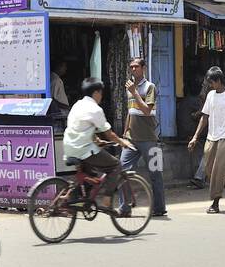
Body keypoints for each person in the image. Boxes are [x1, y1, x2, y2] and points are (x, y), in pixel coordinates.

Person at [64, 77, 132, 209]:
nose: (101, 96)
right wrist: (122, 142)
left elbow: (81, 127)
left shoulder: (77, 105)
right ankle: (107, 199)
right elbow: (109, 133)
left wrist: (97, 140)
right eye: (101, 93)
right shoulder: (95, 109)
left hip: (69, 147)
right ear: (96, 93)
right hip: (83, 149)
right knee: (116, 165)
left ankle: (78, 199)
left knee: (90, 176)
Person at [188, 67, 225, 213]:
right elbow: (204, 117)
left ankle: (215, 202)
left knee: (218, 170)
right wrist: (195, 137)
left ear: (218, 81)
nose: (210, 85)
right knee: (208, 169)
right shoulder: (211, 95)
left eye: (211, 82)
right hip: (211, 136)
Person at [119, 58, 166, 217]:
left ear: (143, 68)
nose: (133, 70)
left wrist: (134, 92)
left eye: (136, 67)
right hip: (131, 139)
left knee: (156, 174)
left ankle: (159, 208)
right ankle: (124, 208)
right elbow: (130, 111)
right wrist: (125, 132)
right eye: (131, 67)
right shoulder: (129, 87)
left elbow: (147, 110)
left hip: (150, 139)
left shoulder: (150, 87)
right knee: (122, 172)